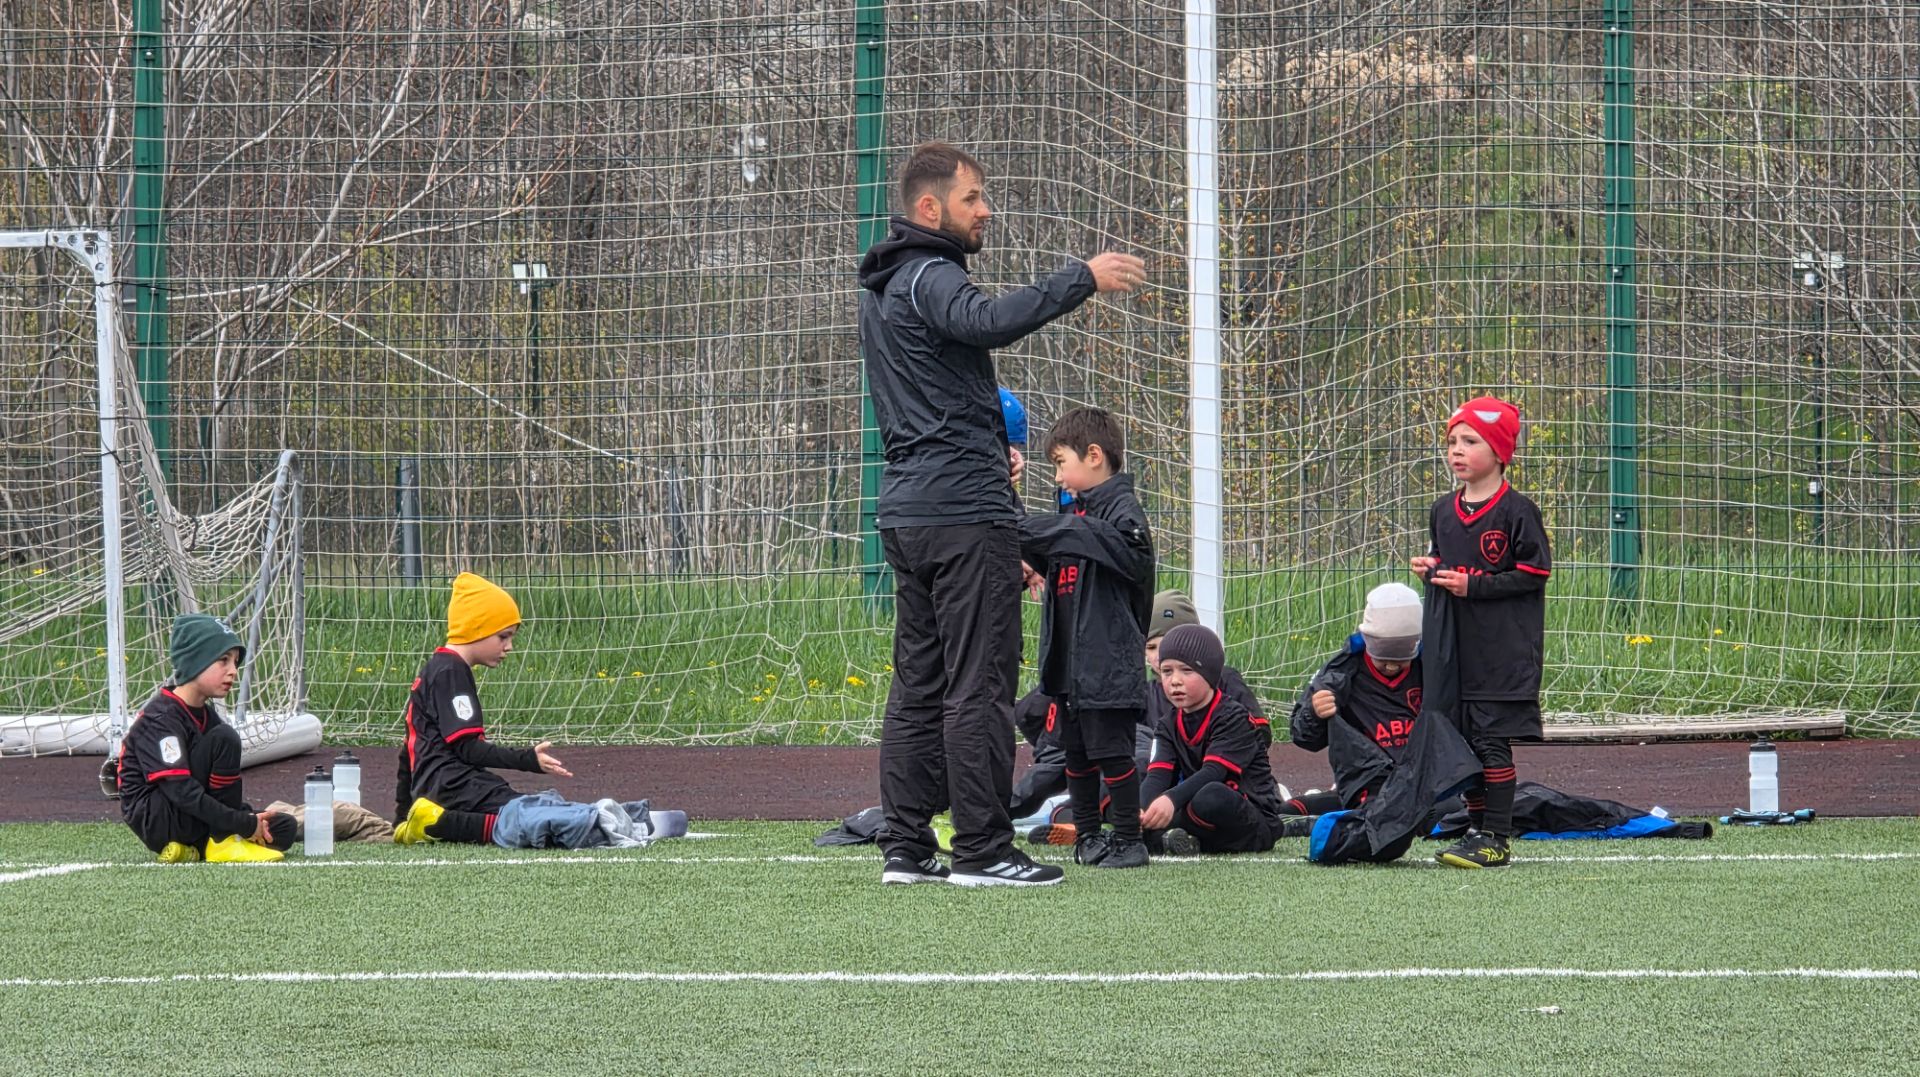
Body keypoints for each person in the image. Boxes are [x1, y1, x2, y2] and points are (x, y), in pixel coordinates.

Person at [857, 140, 1144, 887]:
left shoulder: (884, 286)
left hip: (910, 510)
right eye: (972, 198)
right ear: (930, 208)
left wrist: (987, 451)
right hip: (962, 515)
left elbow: (934, 395)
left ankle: (905, 847)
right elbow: (986, 320)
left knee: (916, 686)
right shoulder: (932, 274)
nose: (986, 210)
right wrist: (1081, 278)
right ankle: (982, 849)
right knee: (978, 685)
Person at [393, 572, 686, 849]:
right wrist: (528, 759)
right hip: (454, 788)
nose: (509, 647)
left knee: (531, 806)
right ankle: (623, 823)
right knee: (531, 813)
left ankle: (434, 823)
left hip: (442, 790)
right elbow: (467, 749)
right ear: (476, 629)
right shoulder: (451, 672)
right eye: (503, 636)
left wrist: (401, 815)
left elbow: (409, 750)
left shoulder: (438, 669)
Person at [1409, 396, 1552, 869]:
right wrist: (1432, 568)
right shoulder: (1442, 511)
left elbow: (1533, 574)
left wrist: (1476, 586)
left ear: (1499, 451)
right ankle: (1474, 829)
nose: (1457, 450)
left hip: (1502, 654)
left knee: (1491, 743)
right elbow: (1448, 561)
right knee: (1461, 744)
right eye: (1452, 441)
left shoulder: (1518, 511)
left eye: (1470, 441)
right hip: (1454, 653)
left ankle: (1497, 837)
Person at [1016, 407, 1156, 868]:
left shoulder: (1122, 512)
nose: (1058, 477)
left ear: (1094, 456)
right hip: (1068, 665)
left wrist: (1052, 529)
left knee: (1112, 753)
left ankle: (1130, 840)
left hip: (1106, 664)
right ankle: (1088, 837)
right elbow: (1042, 542)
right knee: (1073, 753)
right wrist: (1006, 494)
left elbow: (1125, 555)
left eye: (1061, 463)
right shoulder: (1074, 515)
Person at [116, 614, 297, 863]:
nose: (233, 671)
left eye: (235, 662)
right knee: (225, 738)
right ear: (195, 661)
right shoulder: (161, 718)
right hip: (160, 819)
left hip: (188, 812)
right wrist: (242, 823)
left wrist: (249, 820)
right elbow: (181, 792)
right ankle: (223, 840)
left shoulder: (206, 715)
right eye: (223, 660)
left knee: (284, 827)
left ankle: (194, 849)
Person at [1288, 582, 1429, 862]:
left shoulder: (1431, 667)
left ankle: (1310, 814)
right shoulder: (1341, 673)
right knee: (1389, 828)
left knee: (1447, 815)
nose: (1391, 666)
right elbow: (1303, 737)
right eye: (1383, 657)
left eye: (1400, 659)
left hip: (1422, 778)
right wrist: (1314, 712)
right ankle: (1317, 828)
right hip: (1371, 783)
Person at [1140, 624, 1295, 855]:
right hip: (1199, 813)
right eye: (1167, 671)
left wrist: (1170, 800)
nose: (1175, 680)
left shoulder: (1233, 716)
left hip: (1252, 819)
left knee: (1210, 795)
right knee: (1132, 795)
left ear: (1210, 674)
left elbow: (1214, 772)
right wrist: (1140, 810)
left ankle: (1166, 836)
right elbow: (1157, 776)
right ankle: (1173, 838)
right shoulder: (1167, 724)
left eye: (1187, 670)